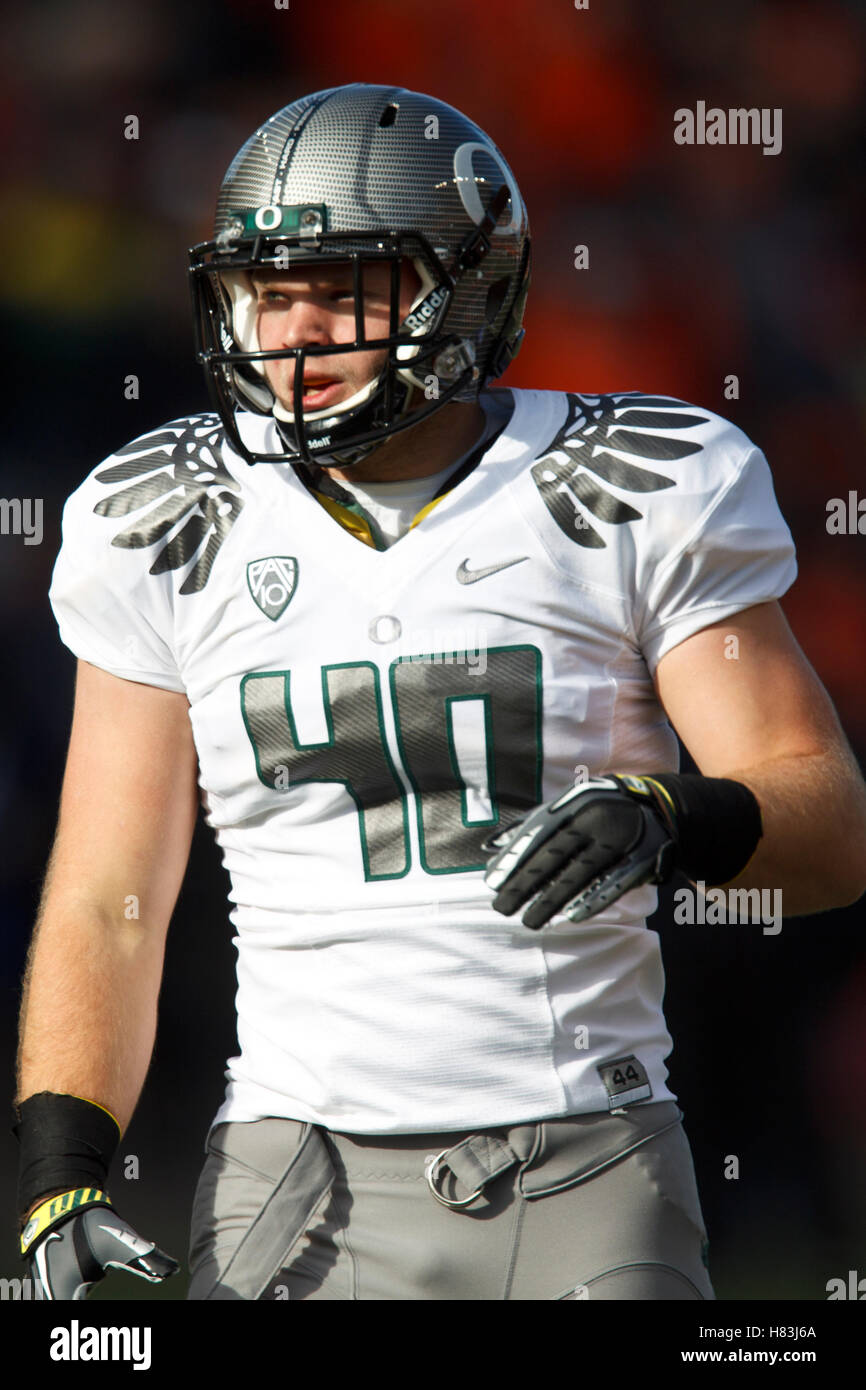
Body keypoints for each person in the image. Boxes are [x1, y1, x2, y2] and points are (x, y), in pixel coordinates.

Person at [14, 82, 866, 1302]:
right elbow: (109, 893)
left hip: (582, 1145)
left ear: (460, 285)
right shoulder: (163, 515)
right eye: (264, 291)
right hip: (293, 1159)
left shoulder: (633, 482)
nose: (290, 332)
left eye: (339, 288)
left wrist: (674, 818)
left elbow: (826, 826)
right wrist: (62, 1166)